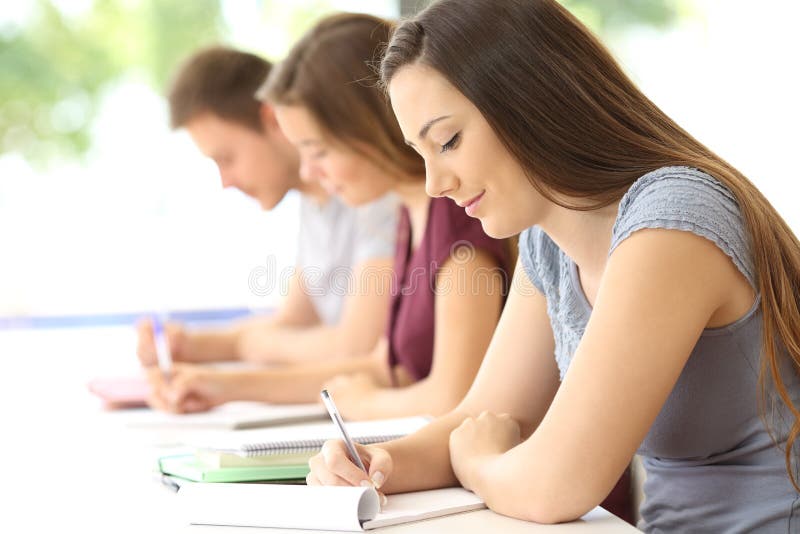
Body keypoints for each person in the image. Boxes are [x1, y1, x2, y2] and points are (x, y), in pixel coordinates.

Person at [306, 1, 800, 532]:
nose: (435, 183)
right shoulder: (548, 241)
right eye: (422, 153)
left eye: (448, 141)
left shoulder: (672, 222)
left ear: (533, 100)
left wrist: (476, 463)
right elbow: (486, 418)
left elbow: (555, 486)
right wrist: (379, 464)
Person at [146, 13, 512, 422]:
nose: (308, 173)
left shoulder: (455, 217)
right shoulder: (412, 217)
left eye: (318, 152)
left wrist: (360, 404)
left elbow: (450, 396)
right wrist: (222, 386)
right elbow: (384, 367)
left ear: (366, 129)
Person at [136, 47, 400, 395]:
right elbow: (290, 321)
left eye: (226, 158)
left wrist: (252, 348)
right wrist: (188, 345)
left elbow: (356, 346)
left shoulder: (370, 193)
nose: (224, 181)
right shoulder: (314, 204)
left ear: (272, 119)